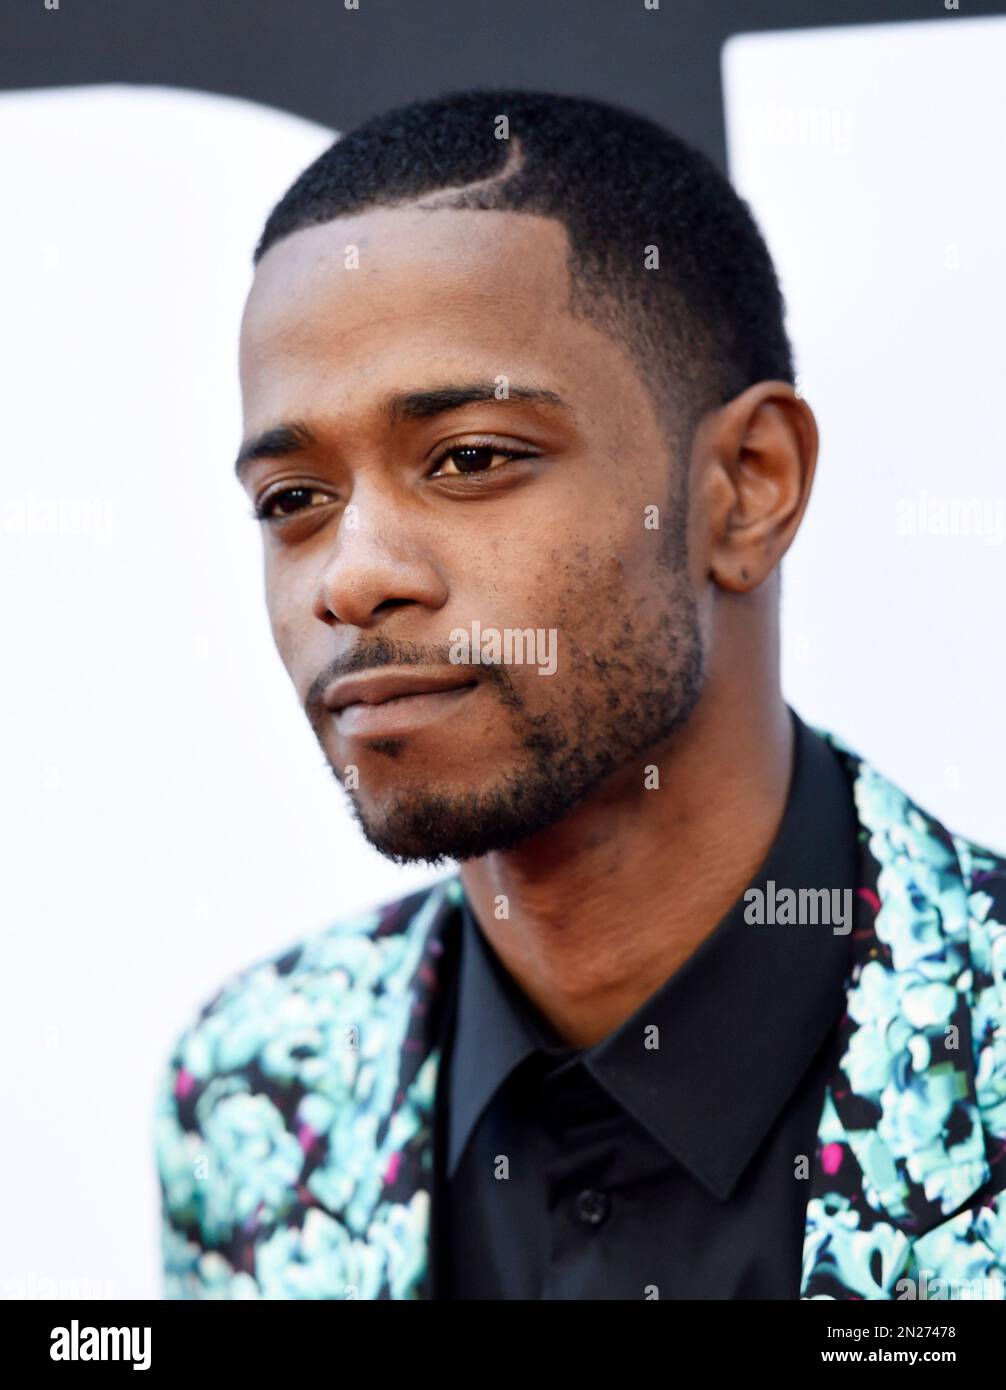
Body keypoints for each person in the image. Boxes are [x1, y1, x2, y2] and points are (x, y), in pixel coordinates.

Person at [154, 88, 1006, 1300]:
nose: (351, 578)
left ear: (746, 488)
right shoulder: (250, 1094)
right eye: (294, 499)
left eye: (470, 460)